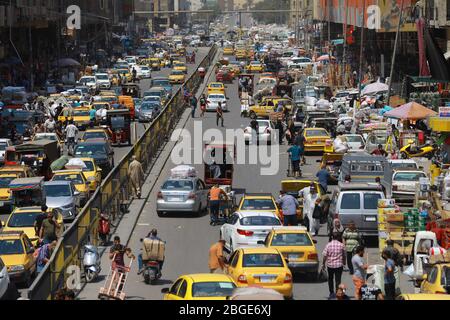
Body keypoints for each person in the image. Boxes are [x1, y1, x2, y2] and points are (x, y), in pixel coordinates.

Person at [322, 232, 346, 299]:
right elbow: (344, 255)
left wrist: (323, 264)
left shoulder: (328, 245)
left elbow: (324, 255)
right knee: (338, 280)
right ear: (338, 237)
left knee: (330, 279)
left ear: (332, 237)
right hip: (339, 265)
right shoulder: (341, 245)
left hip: (330, 265)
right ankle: (338, 293)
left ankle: (331, 293)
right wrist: (344, 262)